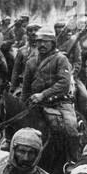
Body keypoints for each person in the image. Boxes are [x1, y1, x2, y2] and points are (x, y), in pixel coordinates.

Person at [22, 27, 80, 165]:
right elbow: (26, 86)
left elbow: (64, 83)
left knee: (71, 128)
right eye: (39, 41)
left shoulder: (61, 59)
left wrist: (43, 95)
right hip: (35, 103)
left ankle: (72, 161)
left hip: (59, 103)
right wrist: (23, 103)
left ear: (53, 43)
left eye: (46, 42)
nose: (41, 45)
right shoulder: (31, 62)